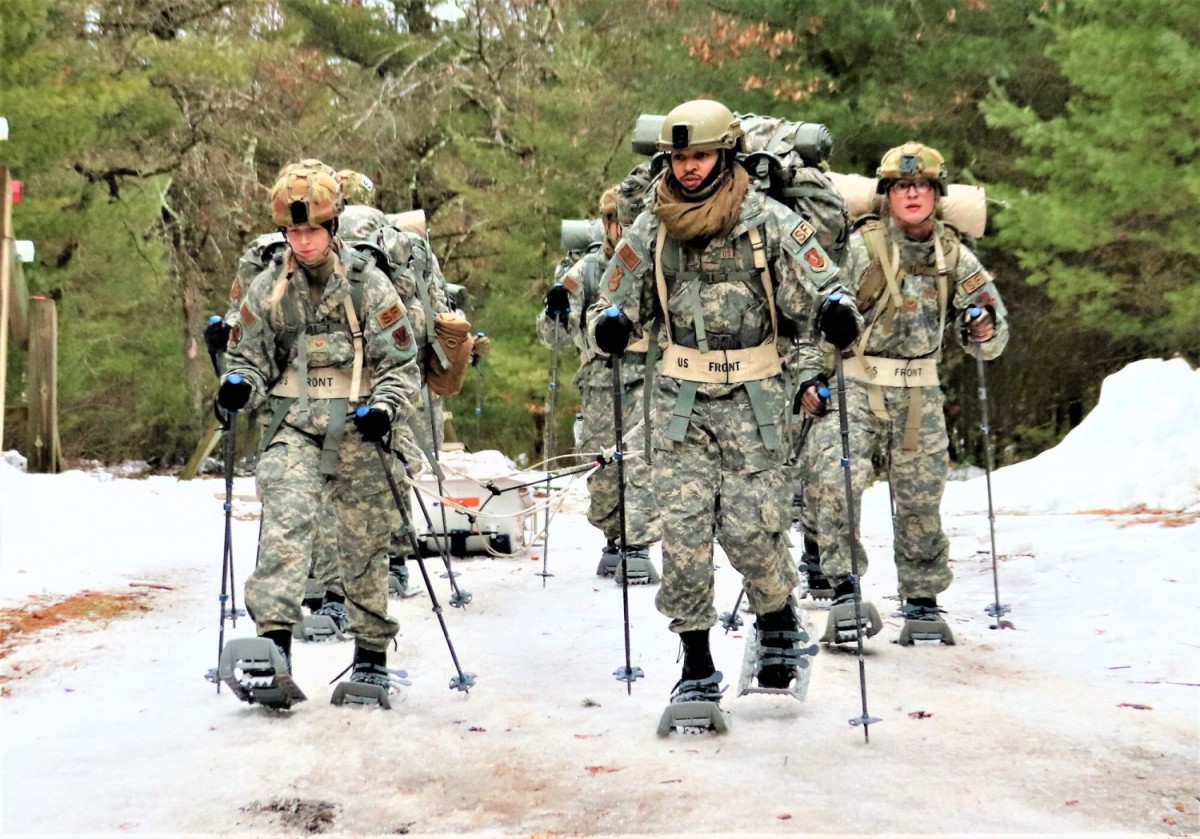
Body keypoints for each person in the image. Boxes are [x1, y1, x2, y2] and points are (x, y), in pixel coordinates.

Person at [588, 100, 859, 704]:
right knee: (682, 538)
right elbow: (609, 301)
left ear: (726, 154)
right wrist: (607, 324)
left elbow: (823, 292)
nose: (688, 169)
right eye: (679, 157)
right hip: (678, 406)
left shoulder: (768, 223)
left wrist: (837, 314)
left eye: (701, 156)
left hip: (754, 405)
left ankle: (777, 618)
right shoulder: (652, 228)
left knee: (751, 532)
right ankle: (696, 663)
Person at [216, 160, 421, 699]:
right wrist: (239, 384)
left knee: (363, 545)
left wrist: (385, 408)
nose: (303, 243)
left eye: (312, 231)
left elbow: (401, 365)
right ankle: (273, 645)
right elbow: (247, 357)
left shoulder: (369, 286)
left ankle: (371, 653)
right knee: (286, 524)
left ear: (332, 229)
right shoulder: (267, 288)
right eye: (294, 232)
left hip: (360, 428)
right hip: (295, 425)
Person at [798, 141, 1009, 644]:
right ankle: (844, 588)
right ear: (887, 194)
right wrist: (810, 379)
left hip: (920, 394)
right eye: (901, 186)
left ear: (937, 194)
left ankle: (922, 600)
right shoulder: (860, 247)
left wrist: (980, 329)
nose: (912, 194)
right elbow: (812, 319)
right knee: (836, 479)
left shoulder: (955, 255)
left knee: (920, 500)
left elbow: (993, 333)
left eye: (921, 186)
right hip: (855, 385)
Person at [535, 186, 660, 580]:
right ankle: (613, 536)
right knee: (603, 468)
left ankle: (637, 544)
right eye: (614, 221)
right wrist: (555, 313)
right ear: (606, 224)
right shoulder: (587, 270)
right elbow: (553, 335)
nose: (620, 229)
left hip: (649, 377)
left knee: (641, 463)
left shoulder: (655, 263)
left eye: (627, 222)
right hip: (599, 383)